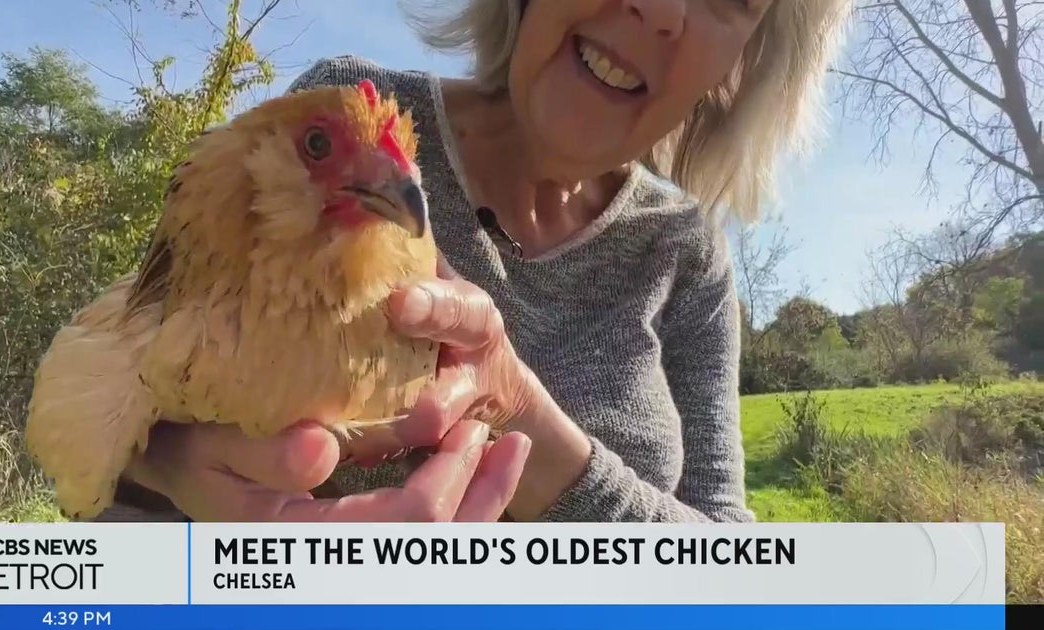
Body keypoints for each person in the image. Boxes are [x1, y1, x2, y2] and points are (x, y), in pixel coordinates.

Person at [101, 0, 853, 523]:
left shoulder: (686, 254)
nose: (660, 6)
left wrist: (524, 418)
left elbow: (733, 572)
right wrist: (159, 458)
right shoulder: (333, 128)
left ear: (741, 64)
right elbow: (126, 379)